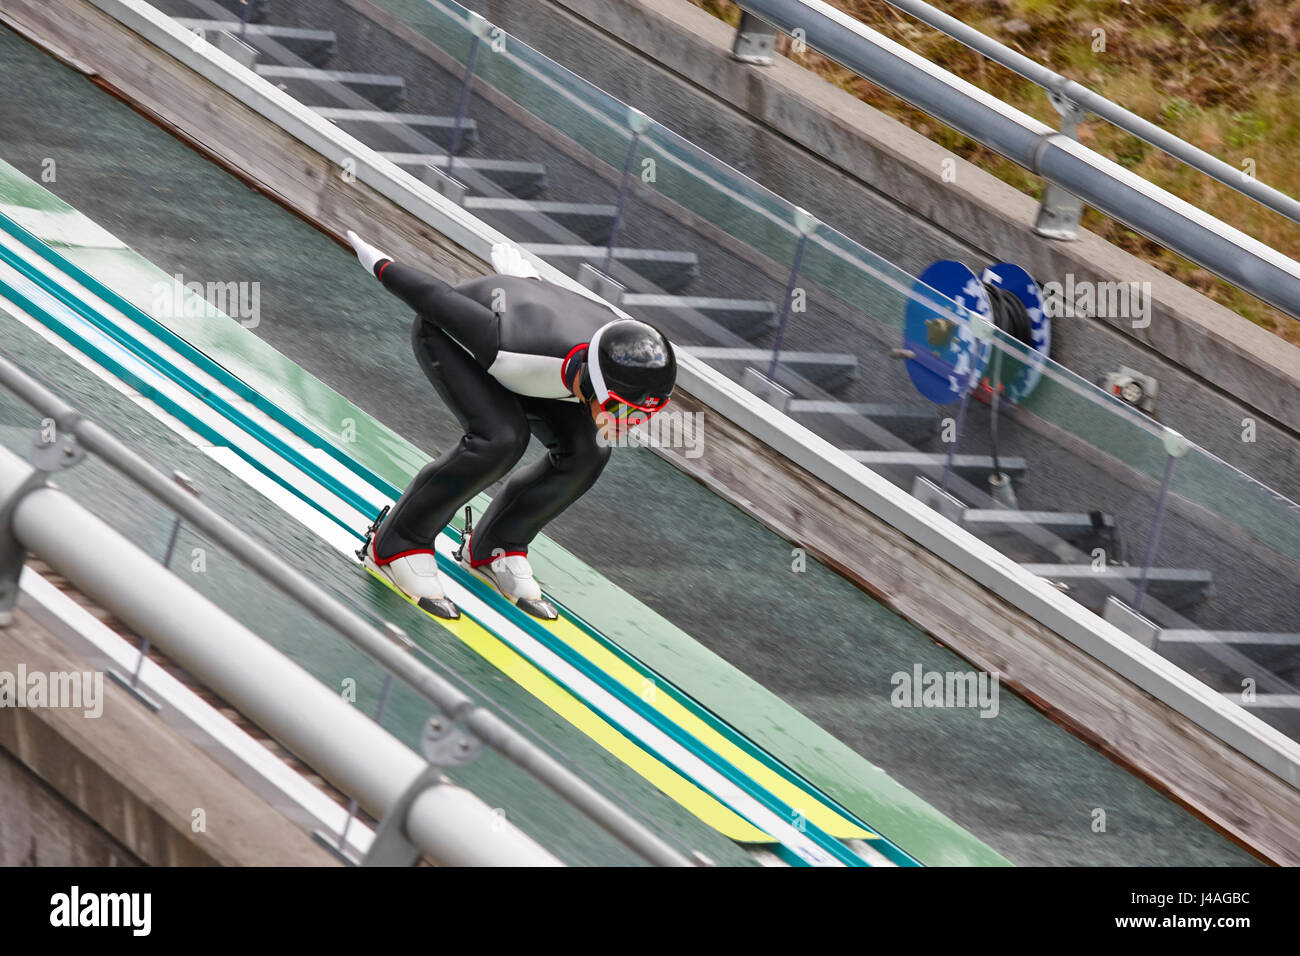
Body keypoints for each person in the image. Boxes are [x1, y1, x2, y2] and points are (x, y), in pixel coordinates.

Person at [347, 230, 677, 620]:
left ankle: (495, 547)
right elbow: (436, 298)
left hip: (545, 369)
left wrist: (527, 282)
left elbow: (560, 304)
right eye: (621, 411)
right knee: (500, 439)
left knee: (588, 452)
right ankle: (398, 544)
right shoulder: (512, 345)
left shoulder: (609, 354)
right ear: (593, 383)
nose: (627, 425)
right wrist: (380, 262)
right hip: (455, 338)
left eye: (640, 416)